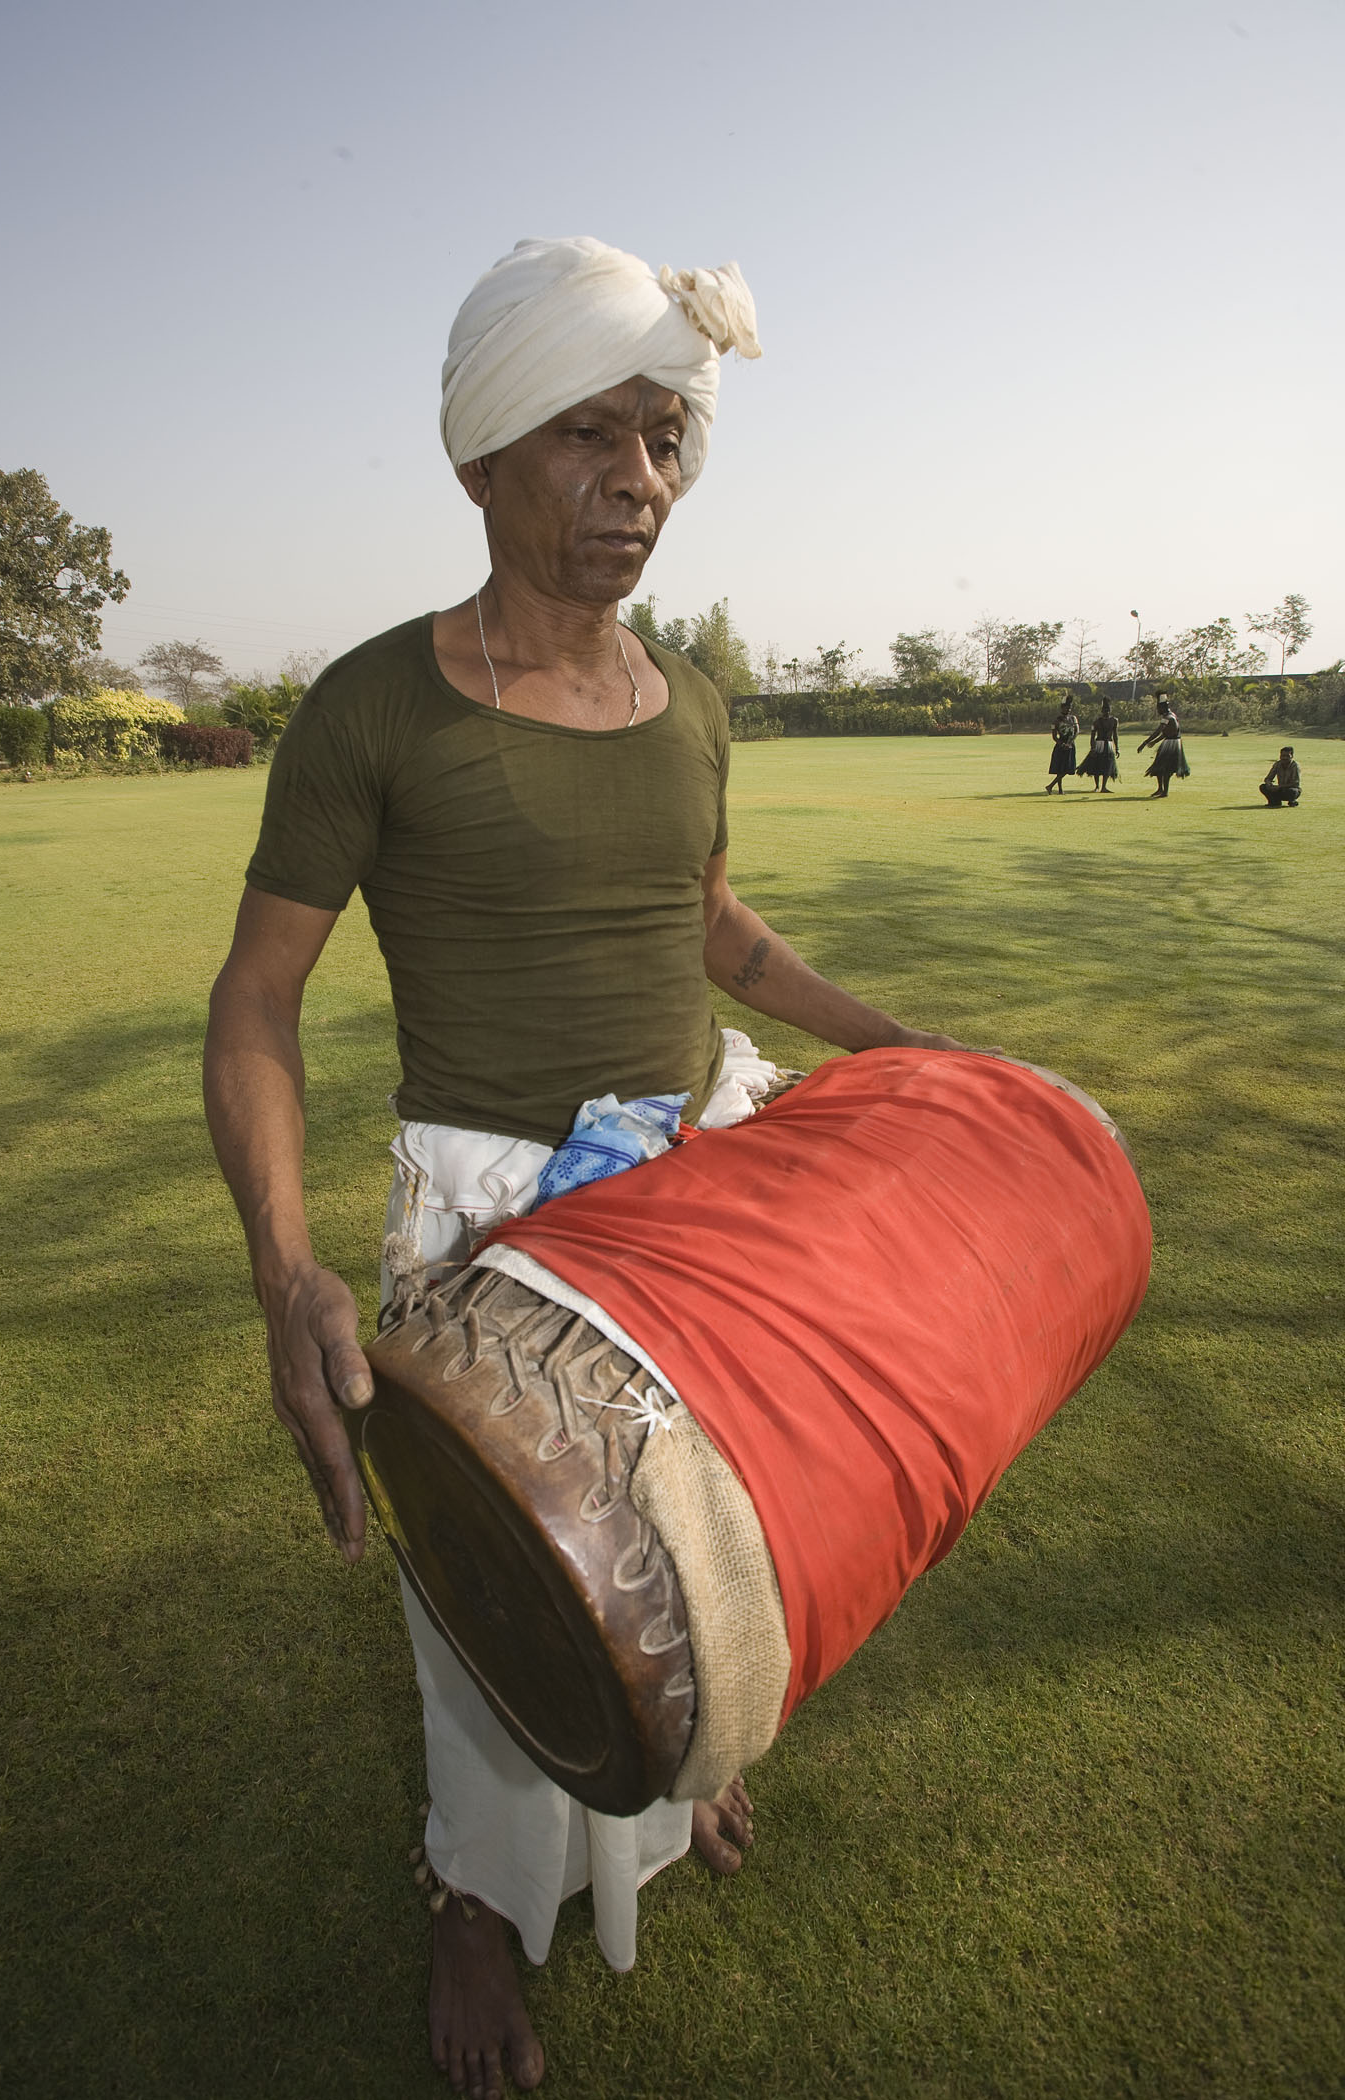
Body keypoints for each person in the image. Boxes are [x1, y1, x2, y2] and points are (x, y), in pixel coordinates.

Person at [203, 236, 977, 2100]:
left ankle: (665, 1788)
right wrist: (288, 1268)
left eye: (663, 439)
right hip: (499, 1233)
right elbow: (253, 1007)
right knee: (493, 1610)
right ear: (479, 457)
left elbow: (723, 939)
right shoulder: (376, 709)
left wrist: (916, 1058)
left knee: (705, 1544)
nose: (637, 483)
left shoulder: (690, 697)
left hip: (704, 1199)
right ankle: (471, 1897)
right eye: (588, 437)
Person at [1137, 694, 1190, 797]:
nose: (1157, 710)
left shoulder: (1168, 717)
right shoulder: (1171, 715)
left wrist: (1145, 743)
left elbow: (1159, 731)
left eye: (1158, 708)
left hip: (1172, 744)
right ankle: (1160, 789)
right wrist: (1154, 742)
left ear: (1163, 707)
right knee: (1159, 767)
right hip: (1169, 742)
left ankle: (1164, 791)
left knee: (1166, 769)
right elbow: (1165, 733)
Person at [1078, 700, 1119, 792]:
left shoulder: (1114, 721)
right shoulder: (1096, 722)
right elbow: (1092, 736)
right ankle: (1097, 786)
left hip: (1108, 745)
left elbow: (1115, 735)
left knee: (1107, 766)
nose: (1106, 712)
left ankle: (1104, 787)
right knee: (1096, 766)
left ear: (1110, 710)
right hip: (1099, 744)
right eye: (1104, 710)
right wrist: (1093, 748)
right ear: (1102, 711)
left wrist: (1117, 748)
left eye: (1108, 709)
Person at [1045, 697, 1079, 793]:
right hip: (1061, 746)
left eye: (1070, 707)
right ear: (1062, 708)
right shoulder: (1057, 720)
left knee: (1067, 768)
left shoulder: (1073, 718)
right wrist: (1062, 744)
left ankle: (1052, 787)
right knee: (1061, 769)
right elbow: (1054, 736)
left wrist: (1069, 742)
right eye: (1066, 707)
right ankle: (1056, 787)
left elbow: (1076, 731)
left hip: (1071, 745)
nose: (1068, 709)